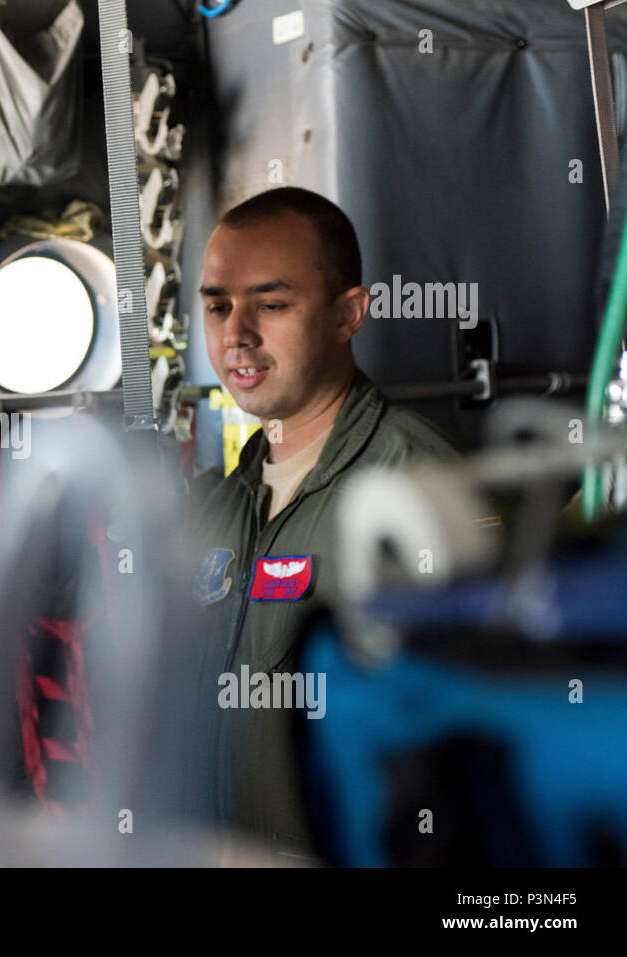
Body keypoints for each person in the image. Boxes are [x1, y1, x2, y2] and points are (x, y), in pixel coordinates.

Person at [191, 187, 459, 857]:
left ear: (348, 315)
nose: (236, 334)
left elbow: (461, 748)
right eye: (218, 305)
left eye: (271, 304)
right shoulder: (222, 503)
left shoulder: (414, 487)